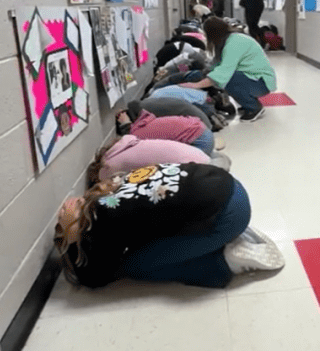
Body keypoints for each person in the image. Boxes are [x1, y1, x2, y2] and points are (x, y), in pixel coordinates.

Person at [55, 163, 285, 289]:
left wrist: (73, 237)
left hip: (228, 216)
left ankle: (225, 261)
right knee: (157, 233)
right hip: (229, 185)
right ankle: (226, 234)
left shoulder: (104, 220)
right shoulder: (114, 184)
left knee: (133, 266)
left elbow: (95, 278)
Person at [180, 17, 276, 122]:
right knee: (224, 77)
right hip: (254, 78)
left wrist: (195, 85)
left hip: (261, 82)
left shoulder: (234, 42)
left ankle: (254, 108)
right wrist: (203, 73)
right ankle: (247, 102)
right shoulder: (228, 40)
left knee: (229, 79)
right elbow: (216, 64)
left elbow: (223, 71)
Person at [87, 134, 211, 183]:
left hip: (196, 169)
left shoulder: (109, 167)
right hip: (200, 155)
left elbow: (111, 186)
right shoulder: (126, 145)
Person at [117, 108, 215, 155]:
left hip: (200, 140)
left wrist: (124, 124)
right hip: (201, 130)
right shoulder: (148, 120)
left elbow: (129, 140)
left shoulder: (139, 132)